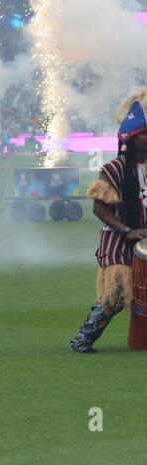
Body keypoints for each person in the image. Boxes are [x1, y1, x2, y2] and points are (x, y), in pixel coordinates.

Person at [71, 93, 147, 353]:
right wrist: (127, 231)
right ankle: (83, 338)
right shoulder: (113, 169)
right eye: (145, 134)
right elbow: (99, 208)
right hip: (117, 237)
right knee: (116, 293)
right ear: (131, 138)